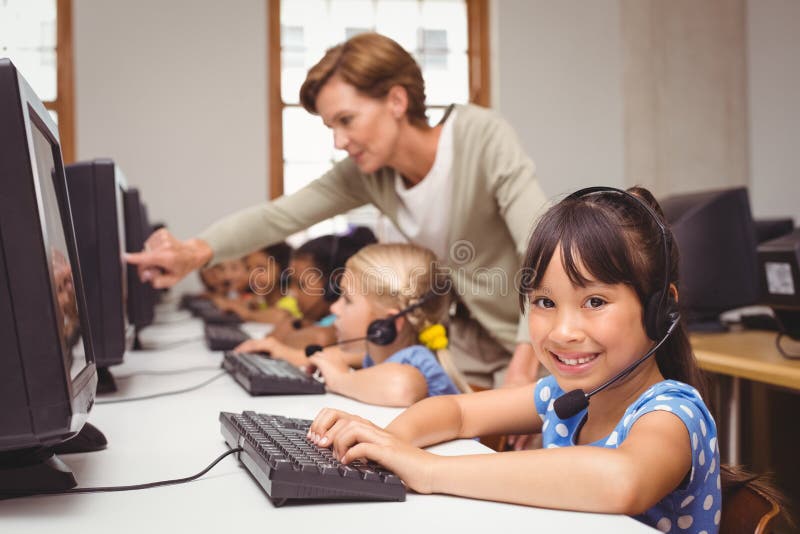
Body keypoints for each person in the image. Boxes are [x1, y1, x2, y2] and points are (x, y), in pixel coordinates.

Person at [125, 31, 549, 390]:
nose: (339, 141)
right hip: (470, 340)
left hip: (538, 338)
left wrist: (524, 362)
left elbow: (542, 250)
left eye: (347, 120)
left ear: (396, 100)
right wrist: (194, 252)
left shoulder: (480, 137)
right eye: (332, 127)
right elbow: (279, 217)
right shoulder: (368, 173)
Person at [306, 187, 726, 532]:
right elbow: (457, 411)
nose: (563, 331)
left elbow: (622, 479)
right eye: (545, 302)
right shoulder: (561, 396)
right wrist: (389, 442)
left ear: (660, 310)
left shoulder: (672, 414)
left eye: (595, 301)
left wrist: (429, 470)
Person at [309, 243, 469, 407]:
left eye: (348, 300)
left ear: (387, 323)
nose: (334, 308)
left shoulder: (417, 360)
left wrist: (338, 379)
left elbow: (401, 386)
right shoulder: (376, 356)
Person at [234, 228, 376, 363]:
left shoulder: (339, 322)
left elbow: (319, 338)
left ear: (332, 288)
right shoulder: (311, 320)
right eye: (291, 283)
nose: (293, 293)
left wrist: (291, 328)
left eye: (301, 285)